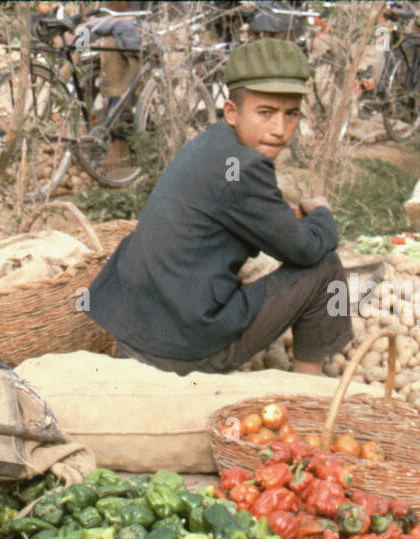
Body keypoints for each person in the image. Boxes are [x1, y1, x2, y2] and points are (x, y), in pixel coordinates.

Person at [86, 38, 351, 376]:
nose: (280, 130)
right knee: (325, 266)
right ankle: (308, 385)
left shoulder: (209, 144)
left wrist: (282, 213)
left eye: (291, 115)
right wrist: (322, 214)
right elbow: (305, 250)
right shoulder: (246, 168)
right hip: (183, 351)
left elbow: (232, 204)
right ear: (231, 111)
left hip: (137, 333)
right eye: (266, 113)